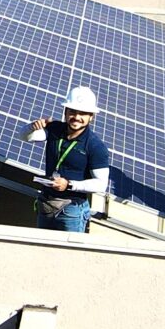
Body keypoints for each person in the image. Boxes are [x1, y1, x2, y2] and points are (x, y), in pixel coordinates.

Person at [23, 85, 111, 232]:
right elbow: (24, 137)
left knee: (69, 247)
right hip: (46, 203)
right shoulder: (55, 129)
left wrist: (69, 184)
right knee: (42, 245)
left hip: (72, 209)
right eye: (72, 111)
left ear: (91, 117)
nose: (77, 117)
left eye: (83, 113)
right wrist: (32, 127)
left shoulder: (95, 147)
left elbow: (101, 184)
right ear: (65, 111)